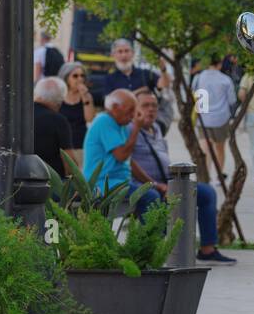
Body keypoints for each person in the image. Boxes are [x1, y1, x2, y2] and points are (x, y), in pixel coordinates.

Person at [130, 89, 236, 265]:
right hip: (146, 185)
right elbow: (129, 163)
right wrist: (156, 185)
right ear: (135, 109)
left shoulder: (156, 128)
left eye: (154, 106)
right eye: (145, 105)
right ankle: (154, 250)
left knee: (206, 192)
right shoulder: (130, 129)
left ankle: (207, 250)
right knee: (155, 198)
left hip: (167, 181)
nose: (151, 109)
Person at [82, 88, 159, 218]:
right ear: (115, 108)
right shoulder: (104, 121)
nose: (133, 114)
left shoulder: (121, 125)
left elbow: (129, 161)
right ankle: (149, 238)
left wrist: (152, 183)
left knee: (156, 193)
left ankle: (151, 236)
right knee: (150, 197)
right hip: (102, 184)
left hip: (120, 182)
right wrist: (136, 128)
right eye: (130, 110)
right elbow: (122, 155)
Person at [192, 52, 238, 175]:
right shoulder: (225, 80)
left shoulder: (198, 77)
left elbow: (194, 94)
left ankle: (205, 175)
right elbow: (232, 100)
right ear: (219, 64)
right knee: (220, 148)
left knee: (205, 148)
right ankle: (219, 174)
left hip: (203, 118)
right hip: (221, 118)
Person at [32, 76, 74, 178]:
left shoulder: (18, 114)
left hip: (17, 181)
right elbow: (69, 162)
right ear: (60, 101)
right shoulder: (58, 120)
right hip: (51, 182)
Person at [57, 61, 96, 166]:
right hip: (62, 146)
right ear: (66, 78)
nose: (80, 79)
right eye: (75, 76)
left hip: (81, 144)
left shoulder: (87, 96)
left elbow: (90, 119)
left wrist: (85, 98)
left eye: (82, 76)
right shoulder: (59, 96)